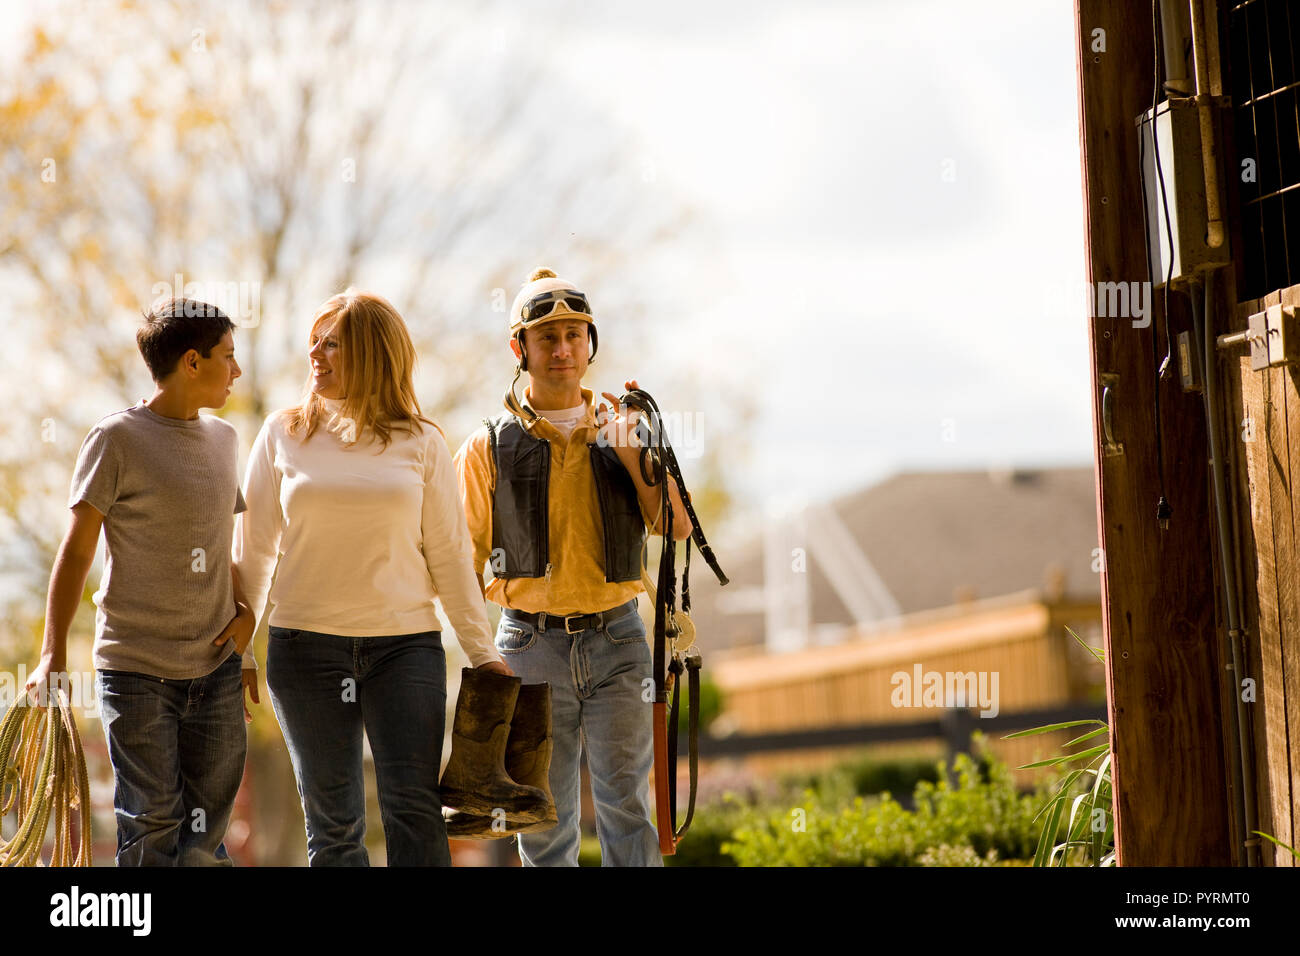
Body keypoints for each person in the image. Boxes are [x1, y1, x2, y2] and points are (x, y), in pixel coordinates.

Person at [233, 288, 509, 867]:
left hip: (405, 649)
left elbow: (451, 557)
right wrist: (239, 650)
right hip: (304, 648)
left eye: (332, 344)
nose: (315, 354)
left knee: (413, 810)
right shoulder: (283, 433)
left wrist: (482, 655)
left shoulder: (422, 441)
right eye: (314, 341)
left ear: (372, 354)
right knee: (333, 824)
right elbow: (253, 552)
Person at [454, 267, 692, 867]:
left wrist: (633, 450)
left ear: (590, 343)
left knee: (629, 809)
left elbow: (679, 525)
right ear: (520, 348)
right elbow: (459, 562)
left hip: (619, 639)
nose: (562, 350)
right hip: (527, 645)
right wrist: (483, 655)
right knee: (542, 823)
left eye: (574, 335)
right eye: (547, 337)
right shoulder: (487, 446)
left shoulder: (626, 429)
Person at [26, 297, 256, 866]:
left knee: (206, 837)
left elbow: (220, 547)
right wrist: (52, 653)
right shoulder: (115, 439)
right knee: (152, 829)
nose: (238, 370)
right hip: (136, 670)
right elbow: (77, 551)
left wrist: (246, 619)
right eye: (228, 356)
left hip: (217, 667)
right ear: (192, 363)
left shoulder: (226, 441)